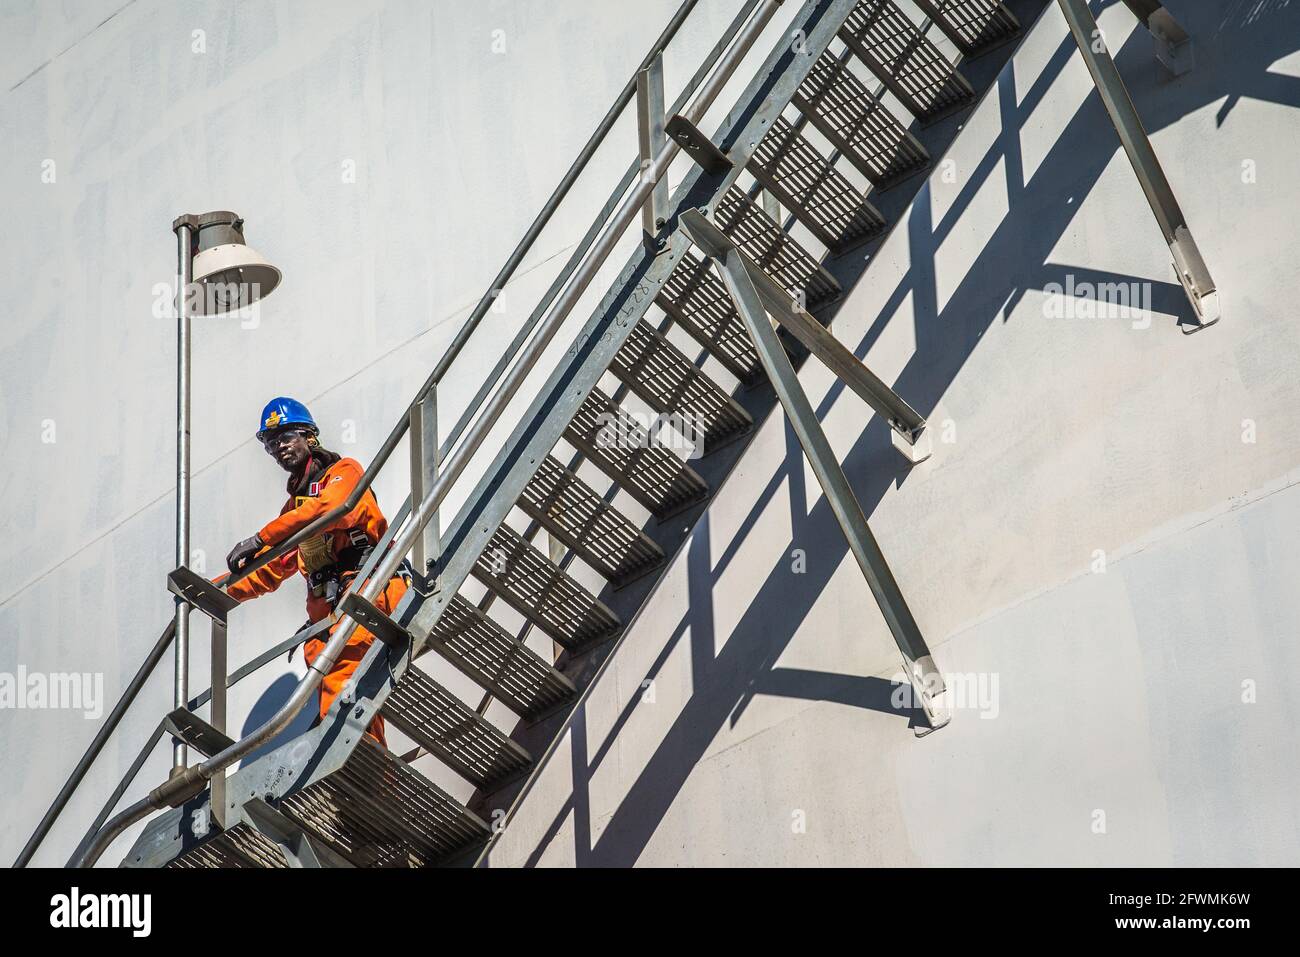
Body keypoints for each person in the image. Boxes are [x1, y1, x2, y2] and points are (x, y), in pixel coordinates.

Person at [219, 397, 404, 747]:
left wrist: (260, 537)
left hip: (367, 593)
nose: (278, 448)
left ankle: (360, 769)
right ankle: (352, 761)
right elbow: (272, 566)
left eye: (285, 437)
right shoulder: (293, 509)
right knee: (335, 682)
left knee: (347, 684)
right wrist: (213, 592)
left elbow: (333, 510)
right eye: (271, 443)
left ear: (309, 436)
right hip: (333, 611)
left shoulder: (344, 472)